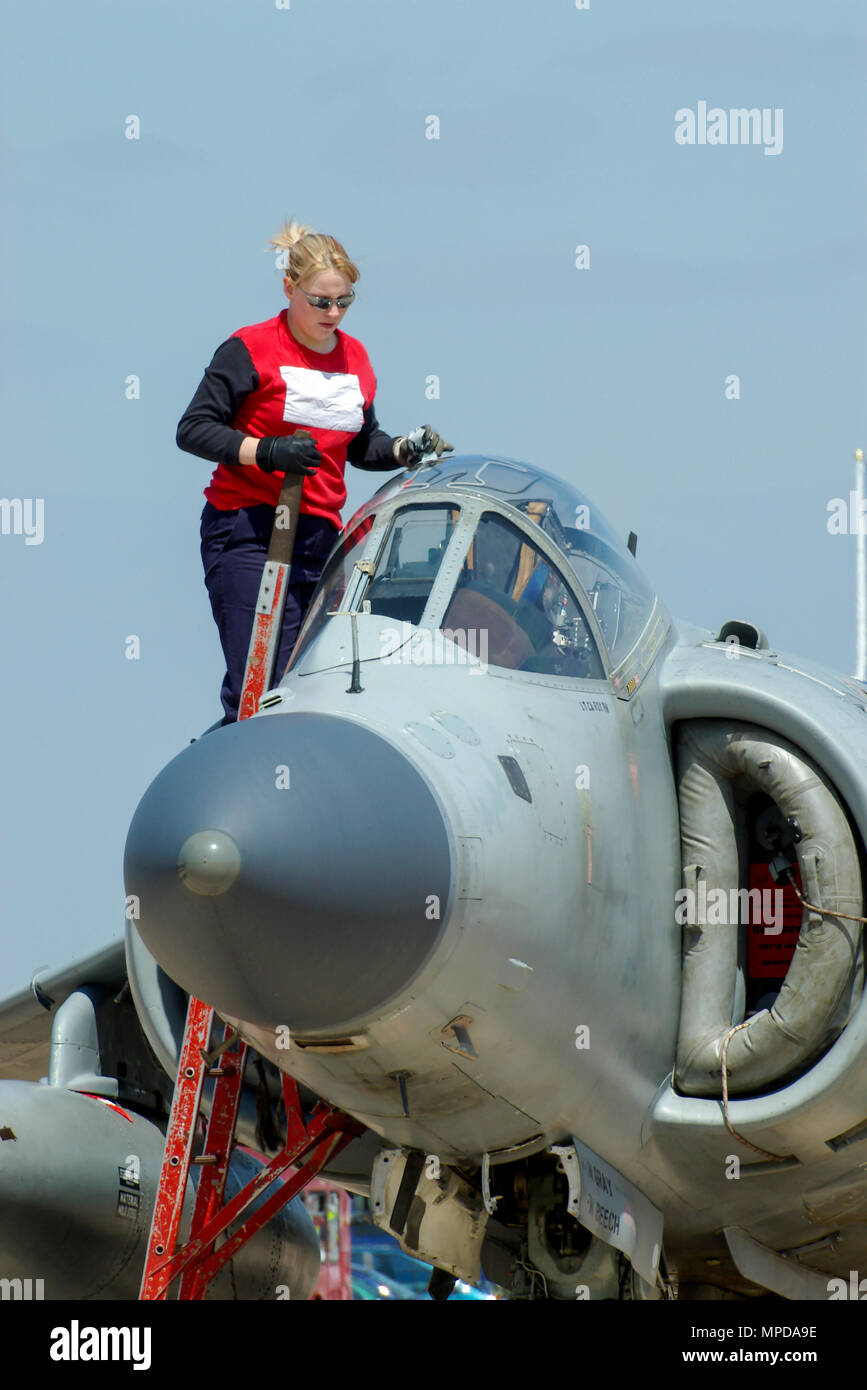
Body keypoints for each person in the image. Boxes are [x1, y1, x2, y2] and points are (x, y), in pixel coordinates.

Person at [176, 218, 452, 724]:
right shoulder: (250, 348)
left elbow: (360, 443)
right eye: (320, 301)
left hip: (320, 541)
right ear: (289, 289)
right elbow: (194, 429)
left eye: (344, 301)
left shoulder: (355, 359)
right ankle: (238, 773)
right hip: (249, 530)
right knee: (261, 685)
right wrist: (267, 451)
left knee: (315, 684)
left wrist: (403, 450)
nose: (333, 313)